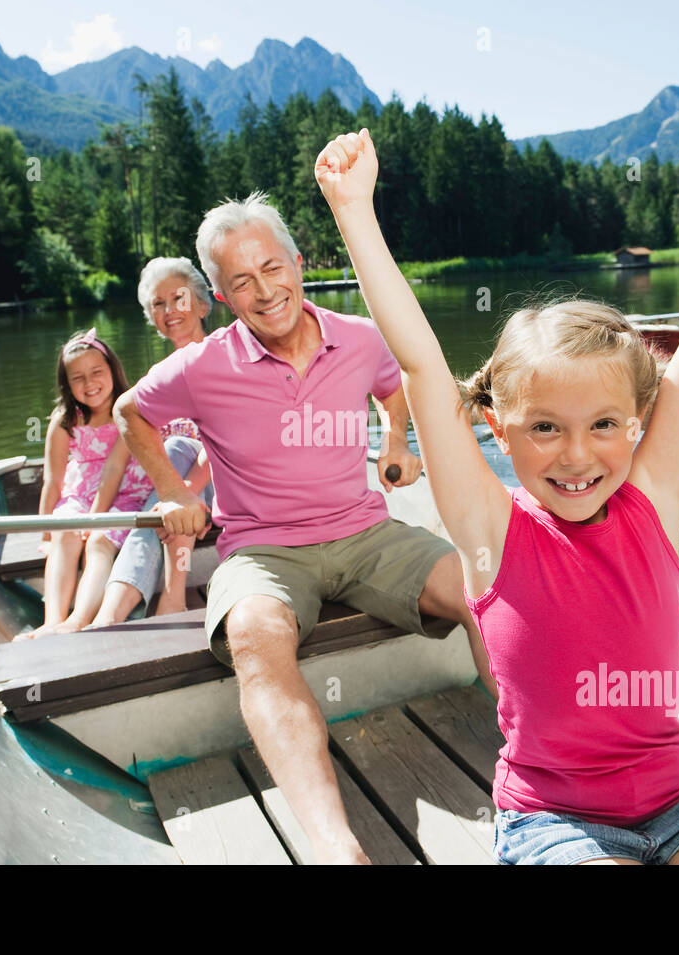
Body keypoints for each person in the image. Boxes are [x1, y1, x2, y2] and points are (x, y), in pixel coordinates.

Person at [314, 98, 679, 865]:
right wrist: (354, 211)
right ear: (499, 427)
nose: (577, 455)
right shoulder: (490, 530)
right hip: (556, 820)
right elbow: (420, 365)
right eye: (545, 427)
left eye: (604, 423)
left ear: (638, 421)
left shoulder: (654, 502)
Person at [115, 192, 494, 865]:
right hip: (264, 551)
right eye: (242, 281)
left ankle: (552, 760)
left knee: (483, 586)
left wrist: (395, 440)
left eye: (272, 268)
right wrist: (172, 492)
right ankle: (336, 845)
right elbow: (128, 411)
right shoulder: (201, 365)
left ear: (298, 262)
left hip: (367, 535)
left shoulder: (361, 337)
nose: (265, 291)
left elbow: (393, 384)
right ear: (221, 296)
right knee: (255, 637)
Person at [26, 327, 201, 639]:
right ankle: (51, 620)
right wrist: (46, 533)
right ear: (66, 383)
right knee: (64, 534)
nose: (89, 383)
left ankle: (78, 618)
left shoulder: (127, 410)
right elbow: (52, 481)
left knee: (98, 542)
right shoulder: (64, 420)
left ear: (112, 371)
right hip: (79, 497)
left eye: (97, 372)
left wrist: (95, 519)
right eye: (77, 378)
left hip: (125, 496)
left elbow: (113, 471)